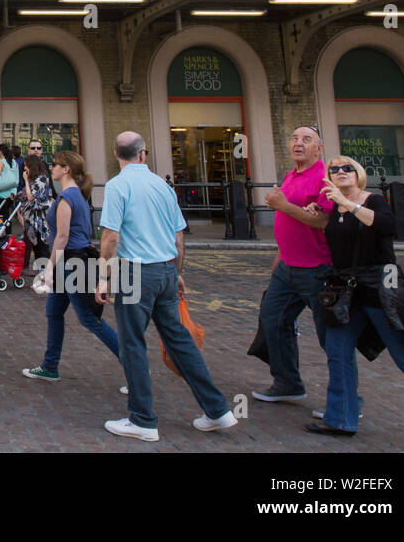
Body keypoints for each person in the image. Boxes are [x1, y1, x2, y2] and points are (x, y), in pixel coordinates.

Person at [98, 131, 238, 441]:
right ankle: (218, 410)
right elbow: (178, 237)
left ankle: (143, 420)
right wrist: (176, 272)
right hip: (164, 270)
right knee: (179, 341)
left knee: (132, 344)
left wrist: (104, 276)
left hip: (133, 272)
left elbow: (110, 237)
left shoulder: (117, 186)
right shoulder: (163, 185)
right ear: (143, 154)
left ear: (116, 155)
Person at [305, 156, 404, 449]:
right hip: (346, 293)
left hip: (380, 291)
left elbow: (387, 227)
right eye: (334, 169)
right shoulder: (336, 207)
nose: (340, 172)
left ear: (359, 174)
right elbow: (340, 241)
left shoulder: (373, 201)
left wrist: (348, 203)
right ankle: (341, 418)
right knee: (337, 353)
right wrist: (320, 212)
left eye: (347, 168)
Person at [252, 125, 335, 404]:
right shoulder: (290, 175)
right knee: (272, 319)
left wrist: (283, 205)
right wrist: (278, 261)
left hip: (318, 269)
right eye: (295, 138)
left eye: (306, 140)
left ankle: (344, 400)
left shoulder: (326, 178)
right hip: (288, 267)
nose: (298, 143)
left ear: (319, 148)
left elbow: (324, 221)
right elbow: (288, 222)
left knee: (332, 337)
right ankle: (287, 382)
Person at [23, 151, 120, 381]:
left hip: (73, 264)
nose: (52, 168)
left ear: (66, 169)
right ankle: (49, 366)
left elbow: (63, 236)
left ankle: (135, 364)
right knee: (54, 312)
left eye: (55, 165)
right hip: (71, 262)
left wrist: (49, 268)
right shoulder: (74, 195)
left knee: (90, 319)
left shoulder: (68, 198)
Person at [19, 155, 54, 262]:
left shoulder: (42, 179)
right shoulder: (34, 179)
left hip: (41, 221)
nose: (24, 168)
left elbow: (30, 197)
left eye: (26, 166)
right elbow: (23, 193)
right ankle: (42, 273)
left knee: (42, 250)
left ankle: (47, 274)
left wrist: (25, 180)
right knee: (37, 249)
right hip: (32, 221)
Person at [0, 142, 20, 220]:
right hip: (11, 192)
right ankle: (8, 232)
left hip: (1, 193)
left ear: (0, 151)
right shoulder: (14, 162)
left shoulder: (1, 162)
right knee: (7, 214)